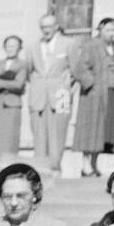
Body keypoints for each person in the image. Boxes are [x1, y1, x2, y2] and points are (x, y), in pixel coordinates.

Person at [72, 17, 114, 176]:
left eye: (113, 30)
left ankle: (94, 164)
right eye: (108, 30)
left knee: (104, 131)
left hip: (112, 94)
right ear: (100, 30)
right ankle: (85, 164)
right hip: (94, 96)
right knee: (91, 129)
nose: (111, 33)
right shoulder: (91, 45)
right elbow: (80, 68)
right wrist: (93, 85)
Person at [27, 14, 73, 173]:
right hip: (39, 95)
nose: (46, 30)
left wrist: (66, 88)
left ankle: (55, 168)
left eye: (49, 27)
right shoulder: (33, 46)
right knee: (39, 134)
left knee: (59, 133)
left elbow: (75, 70)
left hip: (61, 94)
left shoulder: (68, 43)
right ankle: (40, 169)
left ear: (56, 27)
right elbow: (28, 70)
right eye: (43, 27)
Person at [0, 35, 29, 154]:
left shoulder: (23, 64)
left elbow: (18, 84)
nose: (10, 48)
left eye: (13, 46)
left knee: (7, 138)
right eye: (8, 46)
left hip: (11, 104)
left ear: (19, 48)